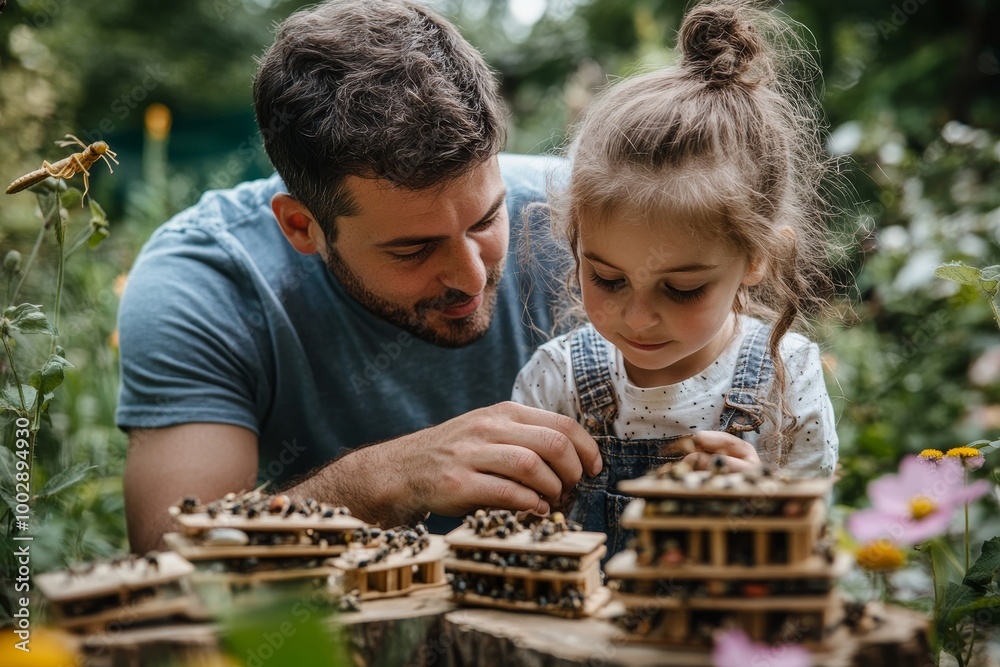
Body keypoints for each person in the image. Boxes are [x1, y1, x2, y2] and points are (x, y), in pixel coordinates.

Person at [117, 0, 602, 555]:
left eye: (488, 218)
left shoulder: (584, 218)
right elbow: (169, 556)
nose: (469, 277)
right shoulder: (205, 283)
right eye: (413, 249)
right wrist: (389, 479)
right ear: (302, 226)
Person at [511, 0, 840, 556]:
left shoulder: (787, 382)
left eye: (682, 288)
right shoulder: (555, 381)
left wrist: (765, 508)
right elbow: (515, 540)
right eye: (607, 278)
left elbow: (810, 553)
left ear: (756, 257)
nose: (638, 317)